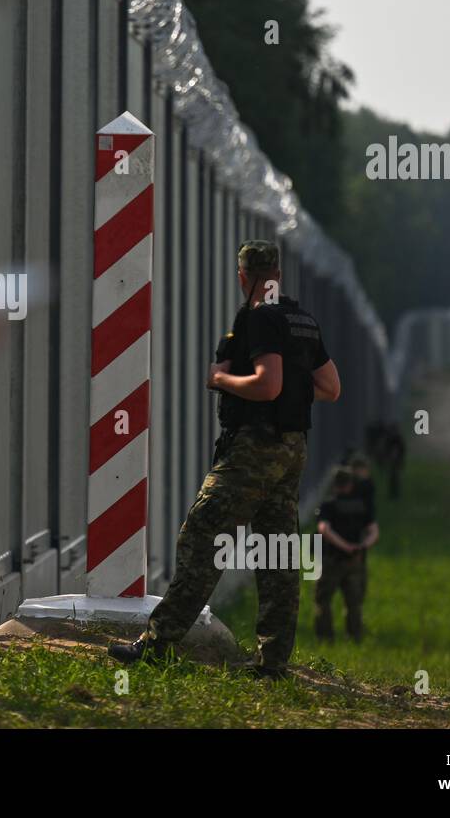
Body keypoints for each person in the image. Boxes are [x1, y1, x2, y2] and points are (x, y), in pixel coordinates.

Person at [108, 240, 341, 680]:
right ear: (277, 272)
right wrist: (295, 386)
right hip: (292, 450)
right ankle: (272, 662)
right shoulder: (301, 319)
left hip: (254, 449)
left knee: (202, 534)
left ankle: (158, 644)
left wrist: (221, 379)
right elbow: (331, 387)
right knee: (277, 552)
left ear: (242, 276)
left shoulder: (260, 318)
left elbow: (267, 385)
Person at [314, 467, 378, 643]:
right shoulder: (361, 505)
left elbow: (324, 529)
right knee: (354, 603)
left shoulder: (328, 505)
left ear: (335, 484)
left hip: (332, 560)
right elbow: (374, 532)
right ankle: (355, 636)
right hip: (356, 560)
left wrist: (343, 546)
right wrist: (361, 547)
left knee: (323, 600)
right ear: (350, 485)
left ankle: (325, 638)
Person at [383, 422, 405, 500]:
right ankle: (394, 494)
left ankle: (395, 494)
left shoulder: (394, 438)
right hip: (394, 462)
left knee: (394, 479)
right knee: (393, 479)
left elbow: (402, 451)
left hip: (395, 462)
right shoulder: (396, 438)